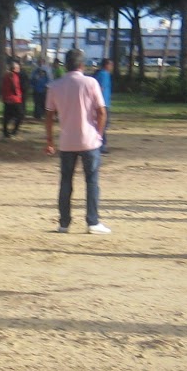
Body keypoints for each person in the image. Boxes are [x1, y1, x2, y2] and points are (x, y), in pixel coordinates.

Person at [44, 48, 109, 234]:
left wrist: (49, 140)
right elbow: (101, 112)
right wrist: (99, 134)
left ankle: (64, 223)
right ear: (82, 64)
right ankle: (93, 222)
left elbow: (49, 115)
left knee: (65, 182)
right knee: (91, 182)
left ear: (66, 65)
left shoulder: (55, 86)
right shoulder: (90, 83)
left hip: (66, 141)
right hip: (89, 140)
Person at [0, 60, 25, 138]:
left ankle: (5, 131)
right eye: (18, 67)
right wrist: (18, 94)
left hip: (7, 98)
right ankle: (14, 131)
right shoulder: (14, 75)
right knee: (20, 115)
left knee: (7, 116)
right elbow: (14, 86)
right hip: (14, 99)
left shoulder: (6, 75)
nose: (19, 68)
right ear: (14, 68)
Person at [93, 57, 114, 151]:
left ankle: (100, 143)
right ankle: (101, 145)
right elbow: (100, 88)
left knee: (102, 123)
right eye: (110, 65)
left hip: (103, 102)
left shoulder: (101, 74)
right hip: (103, 103)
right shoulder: (104, 74)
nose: (112, 67)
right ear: (106, 65)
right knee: (103, 123)